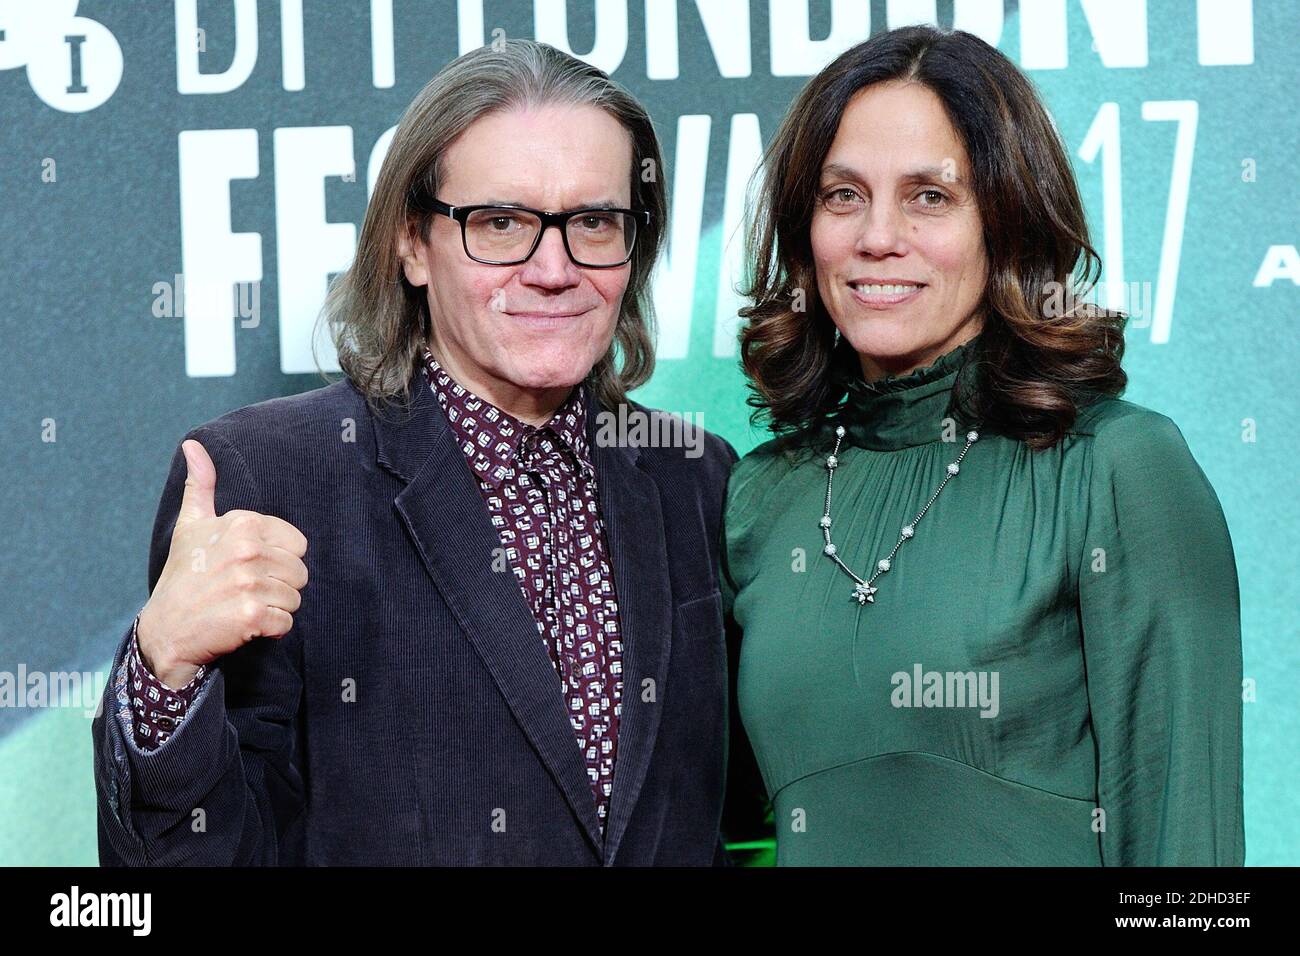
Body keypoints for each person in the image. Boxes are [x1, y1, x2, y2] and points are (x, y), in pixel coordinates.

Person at [93, 39, 737, 866]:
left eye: (594, 222)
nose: (553, 267)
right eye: (499, 223)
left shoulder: (700, 478)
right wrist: (164, 673)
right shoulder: (263, 482)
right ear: (410, 244)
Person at [721, 25, 1244, 866]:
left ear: (1007, 221)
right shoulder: (761, 497)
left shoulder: (1115, 467)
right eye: (842, 194)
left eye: (931, 196)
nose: (877, 237)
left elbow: (1188, 857)